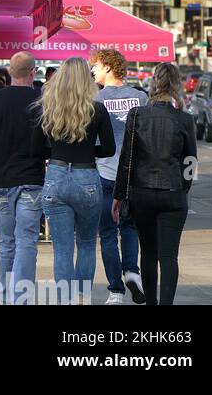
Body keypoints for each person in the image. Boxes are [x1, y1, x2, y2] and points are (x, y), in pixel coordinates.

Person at [32, 57, 115, 304]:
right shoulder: (97, 109)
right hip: (86, 177)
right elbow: (109, 148)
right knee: (88, 243)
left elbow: (35, 149)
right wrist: (87, 151)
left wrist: (57, 154)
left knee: (62, 248)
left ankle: (63, 300)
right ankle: (82, 298)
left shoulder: (48, 106)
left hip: (56, 176)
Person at [113, 63, 196, 305]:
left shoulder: (137, 115)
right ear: (176, 84)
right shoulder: (184, 119)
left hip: (142, 192)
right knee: (169, 255)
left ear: (154, 82)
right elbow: (191, 161)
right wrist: (183, 188)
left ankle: (151, 302)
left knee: (148, 253)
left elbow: (126, 159)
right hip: (173, 192)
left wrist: (119, 195)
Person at [0, 52, 45, 303]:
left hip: (1, 181)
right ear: (33, 73)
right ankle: (21, 299)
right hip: (33, 180)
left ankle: (3, 297)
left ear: (9, 72)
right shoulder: (43, 100)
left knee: (6, 242)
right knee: (27, 241)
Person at [91, 49, 148, 305]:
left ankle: (116, 289)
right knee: (130, 226)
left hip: (105, 172)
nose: (93, 71)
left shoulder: (97, 99)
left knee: (107, 232)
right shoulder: (140, 97)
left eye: (96, 66)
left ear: (107, 67)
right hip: (135, 175)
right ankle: (132, 272)